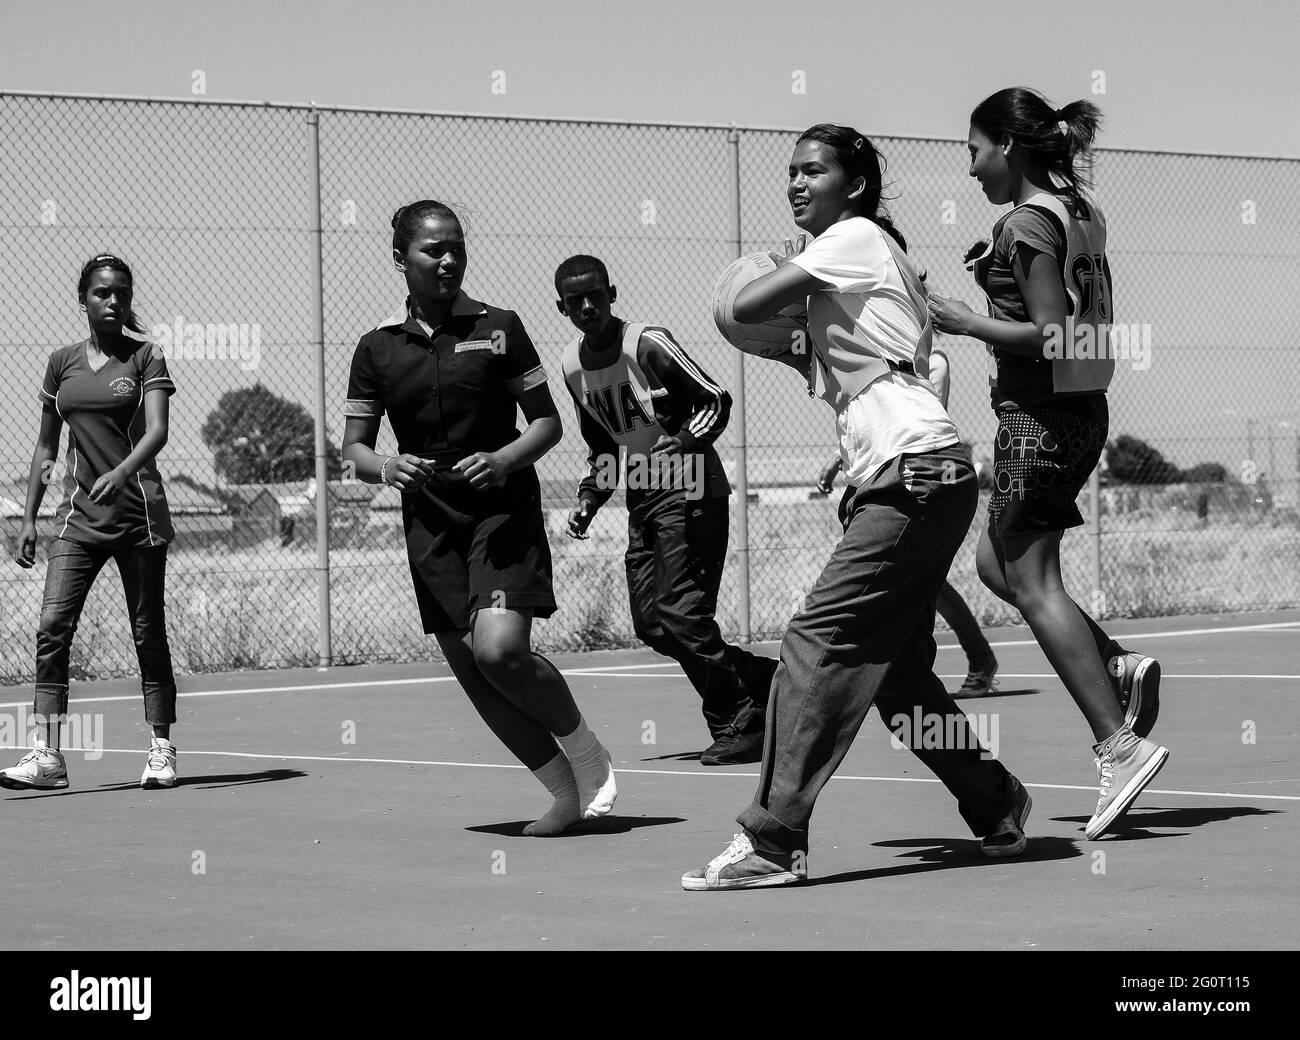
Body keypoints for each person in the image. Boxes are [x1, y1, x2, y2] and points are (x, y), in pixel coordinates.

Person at [683, 124, 1032, 890]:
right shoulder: (860, 273)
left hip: (916, 474)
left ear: (856, 185)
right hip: (913, 474)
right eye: (792, 173)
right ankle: (994, 797)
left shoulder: (854, 239)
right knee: (898, 676)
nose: (797, 184)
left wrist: (769, 277)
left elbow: (742, 301)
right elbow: (825, 348)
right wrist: (795, 328)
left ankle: (773, 841)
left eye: (814, 171)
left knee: (814, 642)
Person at [926, 88, 1167, 841]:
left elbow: (1052, 335)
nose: (969, 169)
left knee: (1031, 580)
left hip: (1040, 418)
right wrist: (992, 283)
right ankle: (1116, 666)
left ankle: (1117, 746)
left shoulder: (1026, 219)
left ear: (1009, 145)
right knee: (1000, 567)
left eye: (974, 151)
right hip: (1080, 411)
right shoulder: (1077, 212)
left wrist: (965, 320)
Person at [341, 201, 615, 836]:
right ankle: (563, 796)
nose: (448, 259)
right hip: (430, 524)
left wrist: (503, 459)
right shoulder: (377, 348)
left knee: (499, 651)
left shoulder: (501, 326)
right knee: (474, 674)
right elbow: (353, 451)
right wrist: (386, 467)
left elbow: (546, 423)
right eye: (433, 249)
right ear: (400, 260)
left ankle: (586, 751)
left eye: (456, 246)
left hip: (501, 511)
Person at [555, 255, 777, 765]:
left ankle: (739, 720)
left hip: (692, 488)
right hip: (642, 497)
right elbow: (603, 443)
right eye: (575, 300)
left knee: (681, 612)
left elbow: (715, 400)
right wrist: (591, 497)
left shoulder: (648, 344)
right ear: (562, 307)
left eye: (595, 295)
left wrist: (682, 440)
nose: (587, 306)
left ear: (612, 292)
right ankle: (763, 681)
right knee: (653, 624)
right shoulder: (571, 365)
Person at [2, 254, 180, 791]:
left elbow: (157, 431)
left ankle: (161, 749)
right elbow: (44, 446)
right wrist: (29, 518)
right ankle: (48, 755)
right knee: (52, 628)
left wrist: (123, 472)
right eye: (102, 293)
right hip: (76, 521)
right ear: (83, 300)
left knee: (147, 632)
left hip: (137, 518)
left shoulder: (147, 356)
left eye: (122, 293)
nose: (113, 302)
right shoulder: (62, 363)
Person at [811, 348, 1000, 696]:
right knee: (929, 587)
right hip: (895, 470)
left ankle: (953, 666)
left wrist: (838, 462)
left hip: (920, 472)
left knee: (928, 586)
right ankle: (923, 674)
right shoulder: (889, 350)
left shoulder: (930, 358)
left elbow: (906, 421)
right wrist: (840, 460)